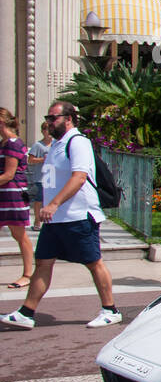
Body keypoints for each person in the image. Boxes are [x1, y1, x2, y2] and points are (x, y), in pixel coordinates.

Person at [0, 101, 119, 329]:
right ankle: (27, 312)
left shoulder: (78, 142)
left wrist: (53, 204)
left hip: (79, 216)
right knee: (43, 263)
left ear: (69, 118)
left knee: (94, 263)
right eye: (48, 117)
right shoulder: (55, 145)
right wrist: (45, 207)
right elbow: (52, 180)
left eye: (53, 117)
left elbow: (79, 177)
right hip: (55, 220)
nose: (49, 121)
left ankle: (110, 310)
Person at [0, 108, 34, 288]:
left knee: (19, 235)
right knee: (18, 235)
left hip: (12, 195)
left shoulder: (13, 143)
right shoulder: (4, 143)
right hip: (4, 195)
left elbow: (8, 174)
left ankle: (28, 274)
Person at [27, 120, 52, 230]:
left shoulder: (56, 144)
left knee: (51, 200)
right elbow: (30, 160)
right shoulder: (38, 145)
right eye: (46, 129)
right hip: (41, 177)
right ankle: (37, 221)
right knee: (39, 199)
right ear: (43, 131)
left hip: (53, 177)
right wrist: (43, 159)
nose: (49, 132)